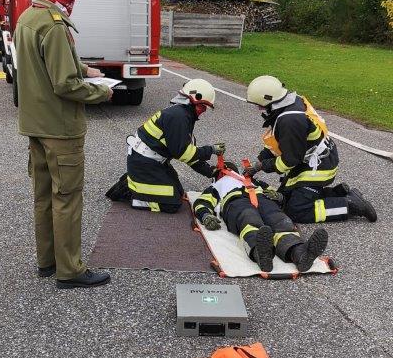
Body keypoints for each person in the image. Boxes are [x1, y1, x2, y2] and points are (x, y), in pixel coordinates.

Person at [14, 0, 113, 289]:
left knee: (43, 197)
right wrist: (101, 92)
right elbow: (64, 84)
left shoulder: (29, 16)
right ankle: (70, 270)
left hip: (35, 124)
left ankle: (47, 262)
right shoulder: (56, 23)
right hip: (60, 128)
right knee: (67, 198)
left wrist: (85, 69)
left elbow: (42, 63)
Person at [245, 75, 377, 224]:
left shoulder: (289, 120)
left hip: (318, 166)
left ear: (269, 100)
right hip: (314, 158)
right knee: (284, 197)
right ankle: (339, 193)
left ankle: (350, 205)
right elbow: (281, 143)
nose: (259, 108)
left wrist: (263, 166)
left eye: (260, 105)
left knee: (296, 211)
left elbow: (289, 161)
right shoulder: (290, 103)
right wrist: (260, 159)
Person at [107, 79, 226, 212]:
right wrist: (211, 150)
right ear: (192, 99)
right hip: (144, 163)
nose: (203, 111)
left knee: (178, 192)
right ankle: (132, 194)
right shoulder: (179, 117)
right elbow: (182, 153)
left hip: (152, 162)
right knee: (172, 204)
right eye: (202, 106)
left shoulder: (183, 115)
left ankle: (137, 184)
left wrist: (211, 172)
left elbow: (189, 155)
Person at [193, 161, 329, 273]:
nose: (226, 173)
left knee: (280, 222)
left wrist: (279, 197)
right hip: (235, 201)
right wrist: (206, 216)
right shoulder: (215, 186)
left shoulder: (252, 180)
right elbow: (202, 203)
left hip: (262, 198)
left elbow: (275, 191)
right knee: (249, 220)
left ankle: (300, 254)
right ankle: (261, 253)